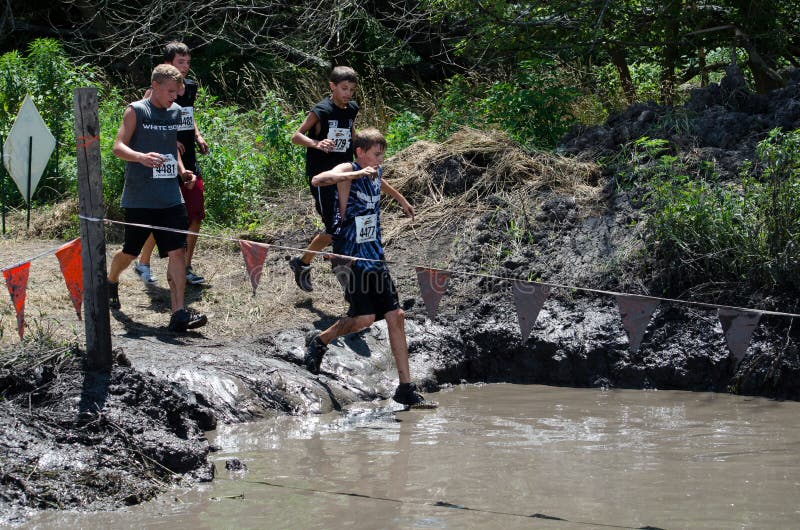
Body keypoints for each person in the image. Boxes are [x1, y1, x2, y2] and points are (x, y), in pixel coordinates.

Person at [305, 128, 436, 409]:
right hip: (350, 256)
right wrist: (354, 175)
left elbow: (380, 183)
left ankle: (405, 388)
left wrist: (401, 199)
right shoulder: (348, 168)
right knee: (363, 319)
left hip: (375, 253)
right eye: (375, 155)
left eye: (382, 155)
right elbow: (318, 179)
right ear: (360, 152)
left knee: (396, 315)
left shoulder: (374, 170)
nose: (379, 160)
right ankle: (320, 340)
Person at [107, 63, 208, 332]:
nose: (175, 96)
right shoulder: (136, 110)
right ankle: (111, 279)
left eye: (177, 91)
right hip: (140, 196)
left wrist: (182, 170)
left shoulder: (175, 112)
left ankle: (178, 314)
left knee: (177, 251)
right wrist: (141, 157)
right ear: (155, 87)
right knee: (130, 252)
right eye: (170, 91)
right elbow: (117, 147)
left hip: (170, 196)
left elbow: (169, 148)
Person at [134, 41, 210, 286]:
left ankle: (186, 266)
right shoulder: (153, 92)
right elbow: (146, 125)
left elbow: (187, 114)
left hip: (189, 160)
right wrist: (168, 139)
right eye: (180, 62)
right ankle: (143, 262)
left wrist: (197, 136)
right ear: (167, 64)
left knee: (196, 213)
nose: (186, 67)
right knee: (166, 216)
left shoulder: (190, 87)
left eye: (188, 62)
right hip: (166, 161)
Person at [289, 66, 359, 292]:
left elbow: (351, 132)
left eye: (351, 89)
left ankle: (335, 257)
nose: (348, 94)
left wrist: (360, 155)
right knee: (333, 228)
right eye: (344, 89)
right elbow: (296, 136)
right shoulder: (322, 110)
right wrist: (316, 144)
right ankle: (302, 263)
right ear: (332, 87)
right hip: (322, 176)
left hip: (345, 174)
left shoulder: (352, 109)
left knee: (344, 223)